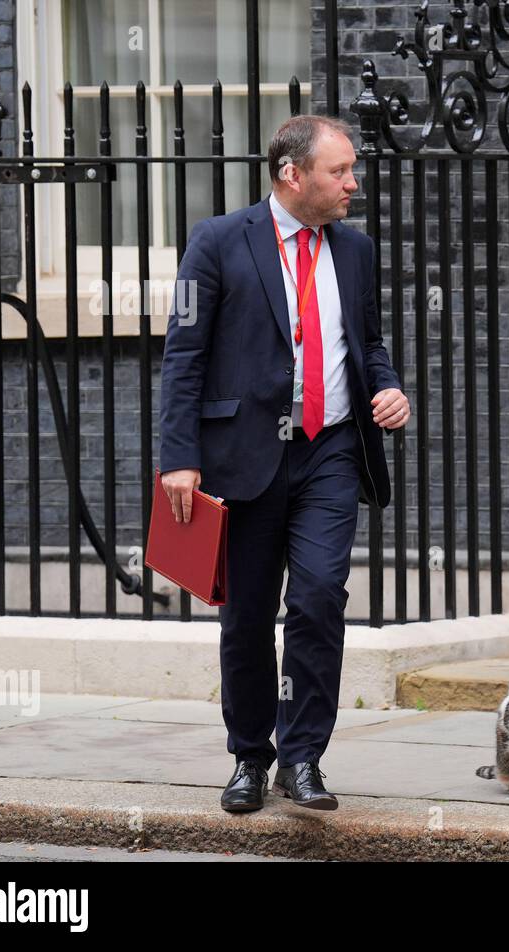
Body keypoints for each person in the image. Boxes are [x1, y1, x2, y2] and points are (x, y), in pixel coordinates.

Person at [158, 114, 410, 812]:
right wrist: (178, 457)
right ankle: (248, 755)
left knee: (319, 595)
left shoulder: (354, 252)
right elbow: (184, 358)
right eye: (341, 171)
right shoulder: (217, 243)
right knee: (245, 614)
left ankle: (303, 758)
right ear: (292, 175)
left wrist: (386, 386)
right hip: (243, 457)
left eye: (353, 169)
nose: (353, 183)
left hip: (327, 448)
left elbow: (369, 341)